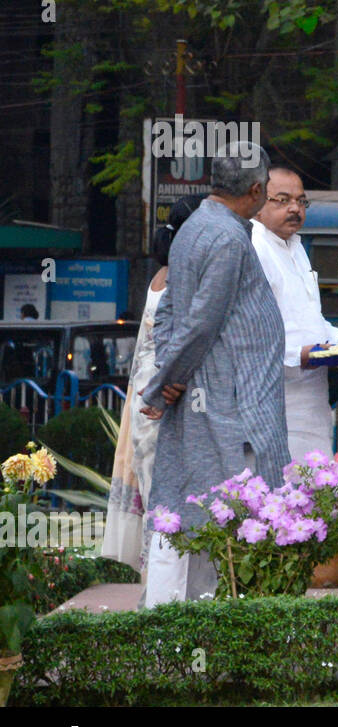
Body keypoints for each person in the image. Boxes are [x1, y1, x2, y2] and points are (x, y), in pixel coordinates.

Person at [139, 143, 291, 606]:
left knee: (195, 512)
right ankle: (206, 630)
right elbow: (202, 320)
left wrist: (169, 374)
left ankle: (181, 625)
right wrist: (164, 385)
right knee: (228, 520)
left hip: (210, 394)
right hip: (230, 405)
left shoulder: (196, 228)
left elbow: (171, 315)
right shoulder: (225, 237)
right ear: (255, 188)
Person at [102, 194, 203, 579]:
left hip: (149, 391)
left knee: (156, 492)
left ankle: (156, 583)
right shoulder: (183, 273)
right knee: (166, 498)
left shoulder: (164, 272)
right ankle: (162, 586)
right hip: (162, 393)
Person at [251, 164, 338, 460]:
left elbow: (309, 316)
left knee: (315, 494)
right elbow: (253, 331)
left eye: (301, 201)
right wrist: (304, 354)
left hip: (312, 396)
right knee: (283, 496)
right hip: (277, 397)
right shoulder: (254, 246)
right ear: (257, 202)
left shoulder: (295, 246)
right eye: (282, 200)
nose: (295, 208)